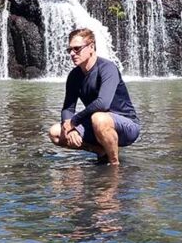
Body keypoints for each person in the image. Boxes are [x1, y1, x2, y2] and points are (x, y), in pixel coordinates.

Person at [48, 28, 140, 165]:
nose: (72, 53)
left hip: (126, 125)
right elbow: (68, 108)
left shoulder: (107, 68)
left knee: (99, 118)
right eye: (70, 50)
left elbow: (103, 104)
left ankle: (114, 164)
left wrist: (74, 122)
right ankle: (100, 151)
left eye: (77, 49)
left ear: (91, 47)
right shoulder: (74, 76)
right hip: (95, 123)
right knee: (55, 133)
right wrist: (68, 127)